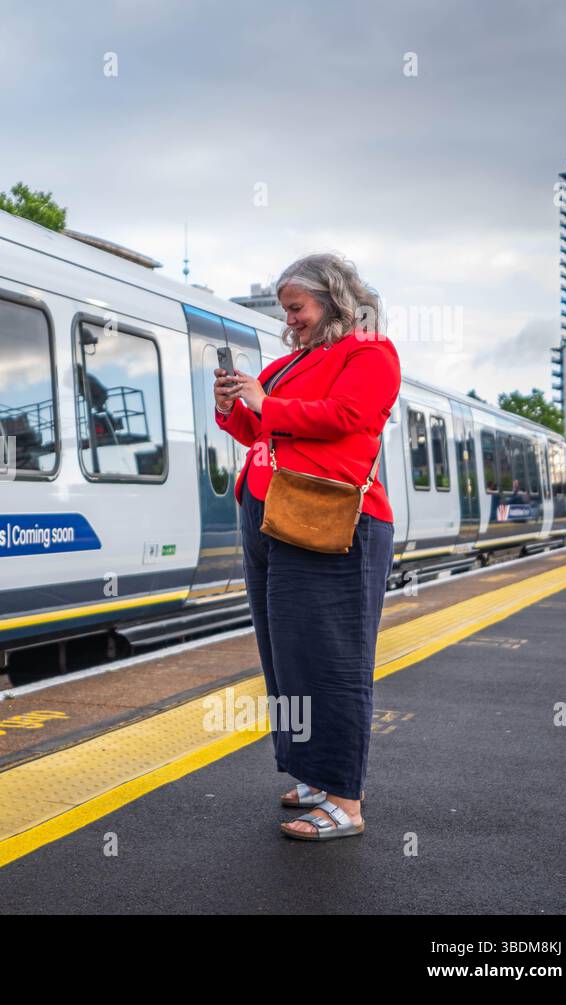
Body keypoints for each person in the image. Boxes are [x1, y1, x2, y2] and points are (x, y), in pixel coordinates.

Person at [213, 253, 400, 842]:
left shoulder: (370, 353)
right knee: (287, 657)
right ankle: (316, 776)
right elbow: (259, 429)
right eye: (286, 310)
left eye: (297, 308)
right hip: (269, 513)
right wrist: (233, 407)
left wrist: (266, 403)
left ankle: (345, 799)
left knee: (332, 661)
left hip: (332, 518)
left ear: (334, 301)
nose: (289, 319)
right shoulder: (289, 364)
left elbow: (351, 416)